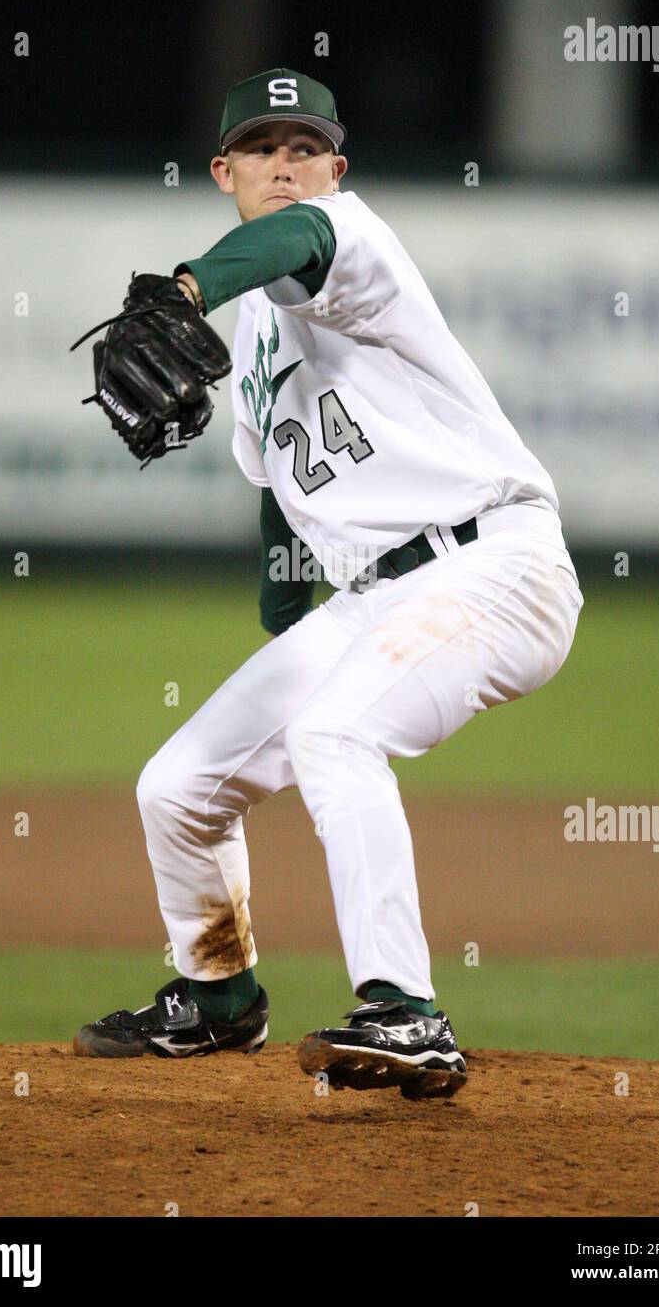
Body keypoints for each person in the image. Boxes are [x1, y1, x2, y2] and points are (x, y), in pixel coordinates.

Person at [73, 68, 584, 1100]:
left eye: (303, 148)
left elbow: (291, 242)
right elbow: (281, 510)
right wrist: (281, 637)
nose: (284, 165)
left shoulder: (344, 238)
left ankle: (409, 1012)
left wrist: (181, 290)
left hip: (495, 563)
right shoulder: (255, 337)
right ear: (222, 170)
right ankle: (219, 995)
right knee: (179, 786)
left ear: (335, 170)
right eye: (261, 148)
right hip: (370, 597)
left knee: (335, 735)